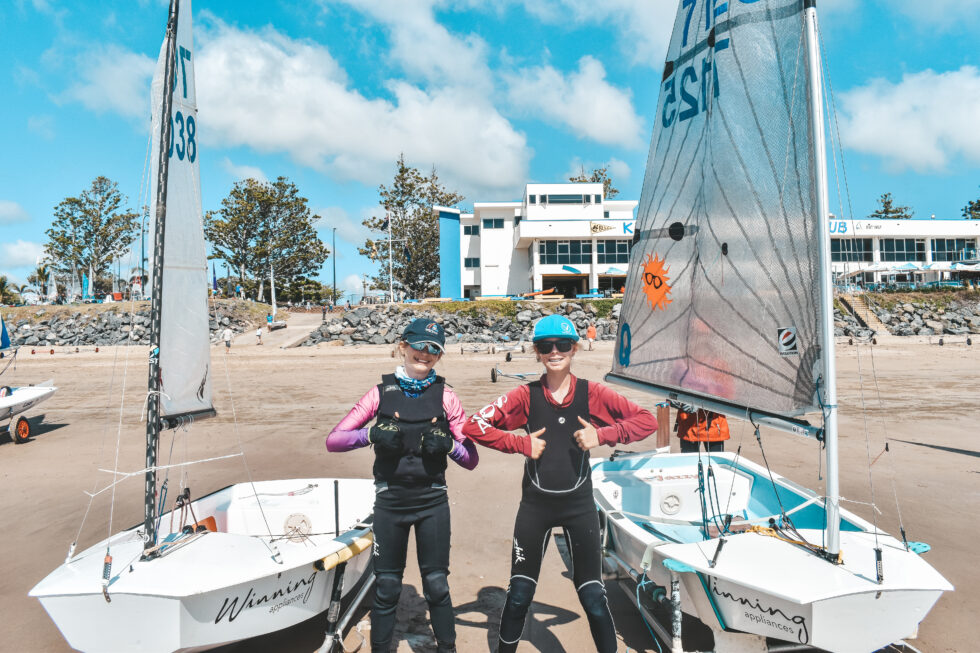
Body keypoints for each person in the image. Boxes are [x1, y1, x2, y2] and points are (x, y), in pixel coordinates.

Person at [462, 314, 658, 653]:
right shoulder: (525, 396)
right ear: (537, 352)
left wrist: (603, 435)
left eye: (562, 345)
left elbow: (647, 421)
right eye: (546, 346)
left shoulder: (592, 393)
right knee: (520, 595)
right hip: (534, 509)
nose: (555, 352)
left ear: (574, 348)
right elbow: (473, 425)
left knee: (594, 597)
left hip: (579, 507)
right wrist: (519, 444)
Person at [327, 318, 479, 653]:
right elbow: (334, 441)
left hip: (432, 502)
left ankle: (448, 649)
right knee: (387, 587)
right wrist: (370, 434)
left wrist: (450, 446)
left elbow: (471, 457)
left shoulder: (447, 398)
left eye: (434, 350)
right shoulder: (379, 394)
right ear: (403, 345)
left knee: (437, 585)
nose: (425, 355)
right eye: (420, 346)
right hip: (390, 502)